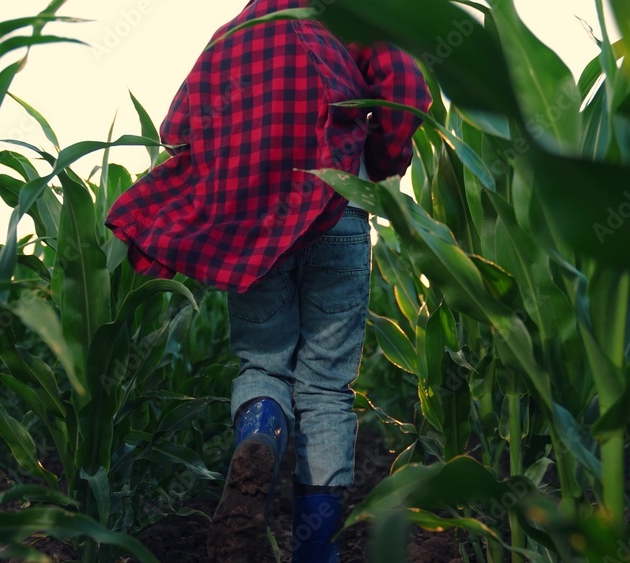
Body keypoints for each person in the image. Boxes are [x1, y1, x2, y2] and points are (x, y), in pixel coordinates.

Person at [105, 0, 429, 560]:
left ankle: (257, 438)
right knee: (326, 386)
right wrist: (375, 162)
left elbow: (177, 130)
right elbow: (405, 82)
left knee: (262, 365)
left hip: (255, 231)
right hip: (336, 210)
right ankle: (314, 552)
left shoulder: (232, 34)